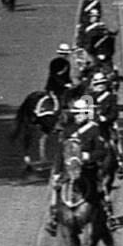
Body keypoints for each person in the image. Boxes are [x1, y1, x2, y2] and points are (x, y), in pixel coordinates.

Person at [45, 96, 107, 236]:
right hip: (68, 169)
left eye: (82, 113)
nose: (78, 116)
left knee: (99, 189)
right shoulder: (68, 131)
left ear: (87, 114)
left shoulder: (94, 130)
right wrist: (56, 171)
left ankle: (107, 214)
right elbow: (61, 152)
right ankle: (53, 217)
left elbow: (102, 151)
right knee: (56, 187)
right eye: (76, 113)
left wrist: (88, 156)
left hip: (87, 168)